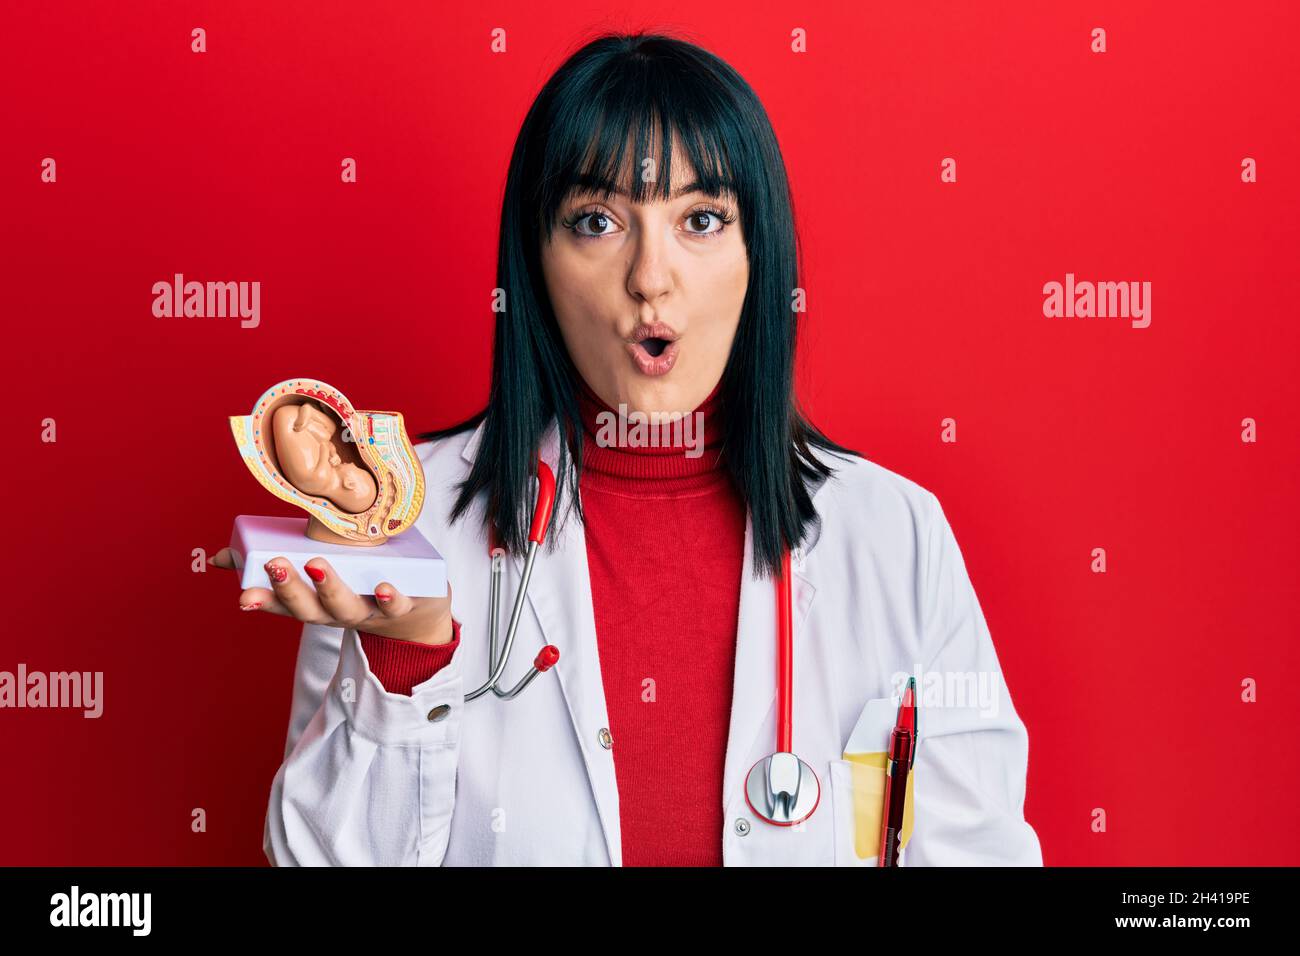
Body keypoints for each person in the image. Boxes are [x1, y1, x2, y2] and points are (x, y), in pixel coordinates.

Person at [213, 31, 1043, 866]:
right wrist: (408, 661)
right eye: (598, 221)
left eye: (703, 219)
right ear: (534, 263)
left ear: (760, 257)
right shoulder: (401, 534)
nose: (651, 275)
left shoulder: (894, 535)